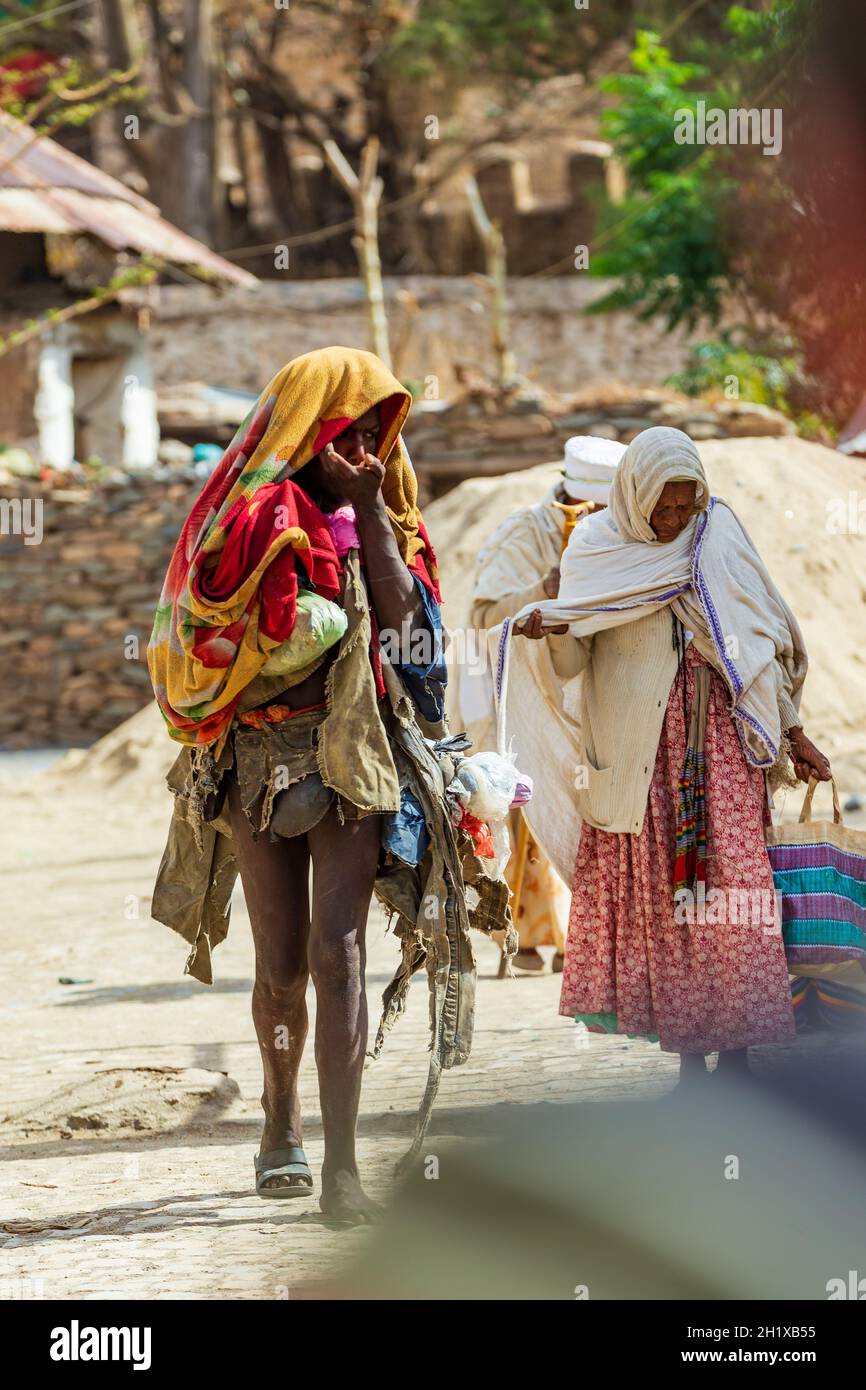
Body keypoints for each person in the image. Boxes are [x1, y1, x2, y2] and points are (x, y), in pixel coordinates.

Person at [147, 347, 509, 1220]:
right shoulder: (246, 515)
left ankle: (341, 1165)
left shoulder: (386, 513)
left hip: (353, 757)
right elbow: (205, 615)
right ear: (306, 428)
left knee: (336, 956)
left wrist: (369, 513)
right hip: (259, 761)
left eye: (379, 430)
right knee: (278, 966)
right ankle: (281, 1125)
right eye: (349, 429)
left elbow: (412, 640)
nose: (367, 446)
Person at [502, 426, 831, 1089]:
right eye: (665, 508)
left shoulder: (720, 539)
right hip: (641, 760)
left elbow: (757, 648)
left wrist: (793, 733)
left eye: (686, 505)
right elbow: (573, 657)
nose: (676, 520)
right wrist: (554, 624)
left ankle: (736, 1057)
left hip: (724, 750)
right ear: (634, 496)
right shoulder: (597, 551)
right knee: (672, 907)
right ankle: (691, 1063)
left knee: (736, 896)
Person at [464, 436, 625, 975]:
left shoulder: (634, 533)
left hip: (605, 697)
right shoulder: (526, 533)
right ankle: (530, 936)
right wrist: (545, 587)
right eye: (594, 512)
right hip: (529, 699)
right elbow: (484, 613)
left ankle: (595, 933)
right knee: (534, 809)